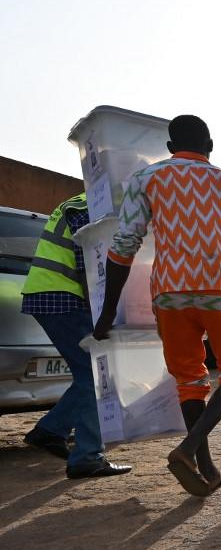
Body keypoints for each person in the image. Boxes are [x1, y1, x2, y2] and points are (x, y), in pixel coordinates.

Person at [93, 115, 221, 497]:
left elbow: (124, 245)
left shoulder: (147, 179)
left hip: (170, 292)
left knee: (190, 380)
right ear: (209, 146)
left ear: (169, 148)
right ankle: (187, 448)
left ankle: (207, 468)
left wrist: (107, 312)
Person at [20, 193, 132, 478]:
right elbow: (91, 268)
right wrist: (105, 315)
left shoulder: (84, 201)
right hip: (62, 296)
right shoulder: (92, 207)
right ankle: (87, 456)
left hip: (51, 293)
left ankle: (51, 430)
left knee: (88, 372)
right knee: (97, 373)